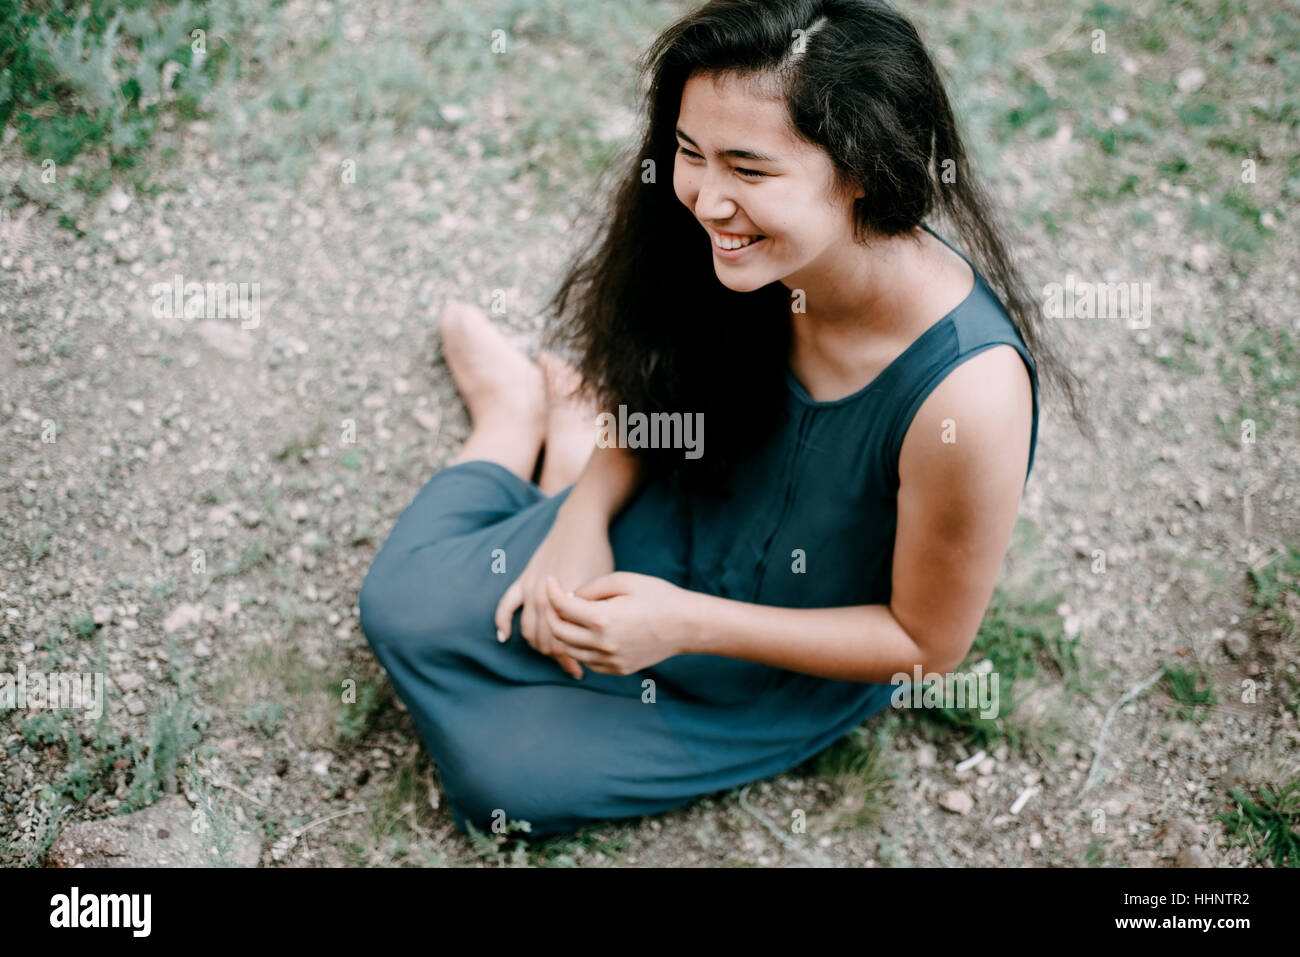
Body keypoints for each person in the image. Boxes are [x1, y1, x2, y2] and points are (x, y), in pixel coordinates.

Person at [358, 0, 1090, 839]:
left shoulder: (968, 396)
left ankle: (552, 438)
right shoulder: (738, 248)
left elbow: (925, 642)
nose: (706, 198)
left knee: (507, 780)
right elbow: (660, 396)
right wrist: (585, 517)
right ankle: (518, 419)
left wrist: (680, 623)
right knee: (398, 606)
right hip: (675, 511)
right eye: (690, 152)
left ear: (862, 166)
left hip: (775, 650)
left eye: (748, 168)